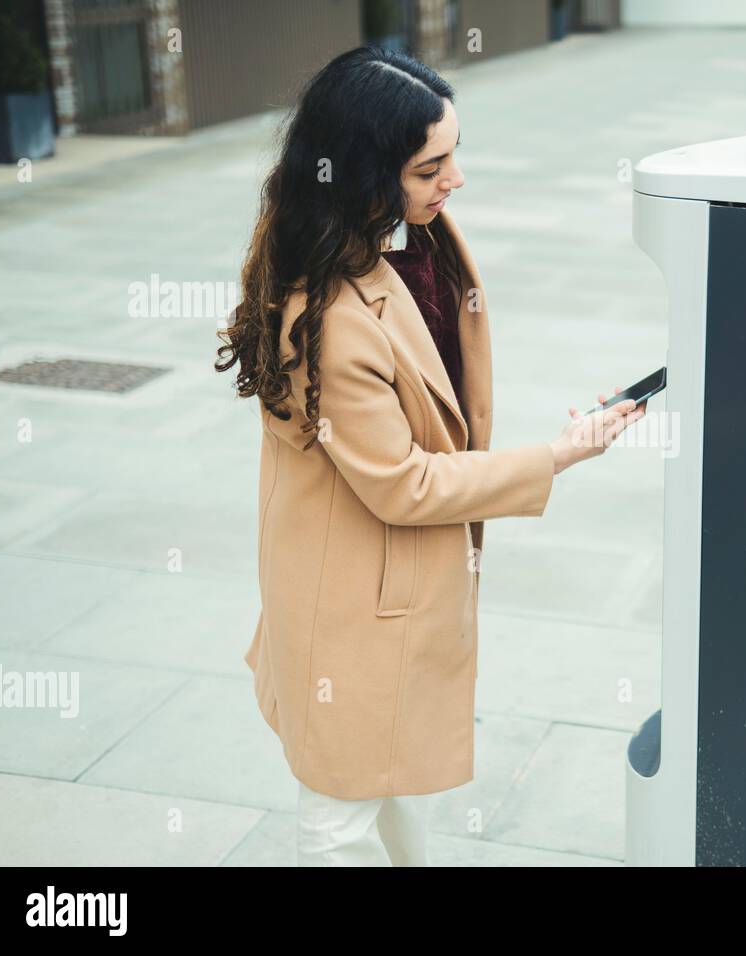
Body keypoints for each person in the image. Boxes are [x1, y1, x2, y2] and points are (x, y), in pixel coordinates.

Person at [214, 46, 646, 866]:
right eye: (430, 167)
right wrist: (555, 456)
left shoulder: (404, 236)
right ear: (369, 175)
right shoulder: (334, 317)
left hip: (387, 579)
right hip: (353, 594)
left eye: (455, 155)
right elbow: (404, 484)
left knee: (384, 772)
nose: (454, 182)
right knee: (338, 812)